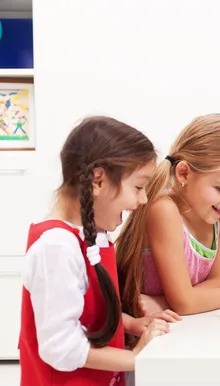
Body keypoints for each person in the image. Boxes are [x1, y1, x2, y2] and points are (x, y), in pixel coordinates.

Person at [19, 116, 181, 386]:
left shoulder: (95, 235)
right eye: (139, 187)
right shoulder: (57, 248)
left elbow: (87, 314)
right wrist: (135, 358)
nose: (142, 200)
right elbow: (61, 348)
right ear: (98, 182)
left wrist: (130, 324)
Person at [116, 114, 220, 318]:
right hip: (147, 336)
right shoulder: (164, 210)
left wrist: (166, 303)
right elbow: (185, 304)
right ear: (184, 173)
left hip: (184, 326)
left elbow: (218, 282)